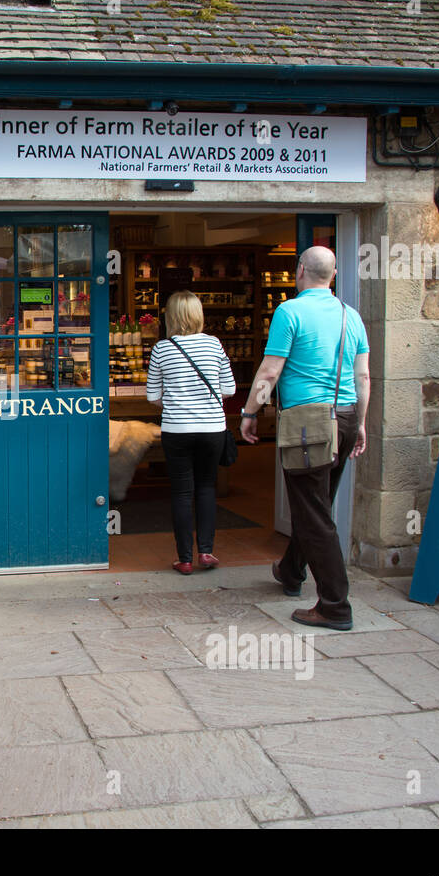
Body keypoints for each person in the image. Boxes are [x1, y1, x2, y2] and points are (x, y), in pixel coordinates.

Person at [239, 245, 370, 630]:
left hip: (307, 423)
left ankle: (335, 605)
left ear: (299, 271)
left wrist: (250, 413)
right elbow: (363, 377)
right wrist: (360, 422)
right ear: (333, 275)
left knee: (314, 513)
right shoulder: (352, 316)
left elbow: (269, 371)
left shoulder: (289, 311)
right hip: (344, 417)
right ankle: (292, 571)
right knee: (317, 503)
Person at [147, 291, 236, 575]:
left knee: (182, 493)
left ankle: (184, 558)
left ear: (170, 317)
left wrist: (176, 402)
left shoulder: (162, 349)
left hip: (177, 429)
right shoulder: (214, 344)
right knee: (207, 488)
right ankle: (206, 551)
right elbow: (230, 389)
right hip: (212, 428)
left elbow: (152, 396)